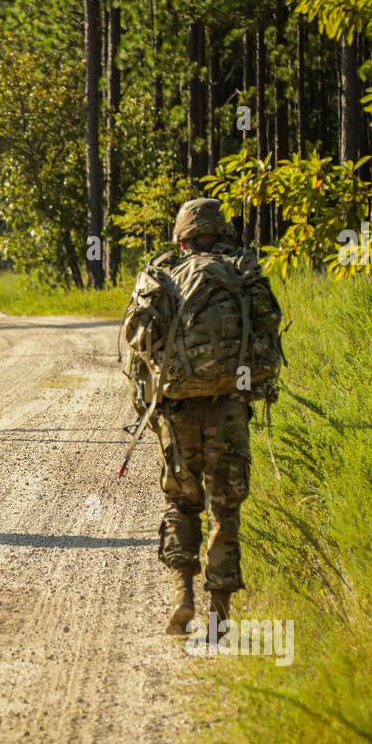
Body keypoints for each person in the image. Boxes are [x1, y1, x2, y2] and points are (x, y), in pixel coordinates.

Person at [122, 199, 283, 636]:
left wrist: (147, 413)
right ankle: (219, 613)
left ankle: (182, 597)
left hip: (176, 409)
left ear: (182, 237)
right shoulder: (243, 274)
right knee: (225, 509)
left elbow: (139, 355)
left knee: (182, 502)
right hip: (229, 405)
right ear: (222, 232)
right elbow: (268, 336)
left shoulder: (161, 278)